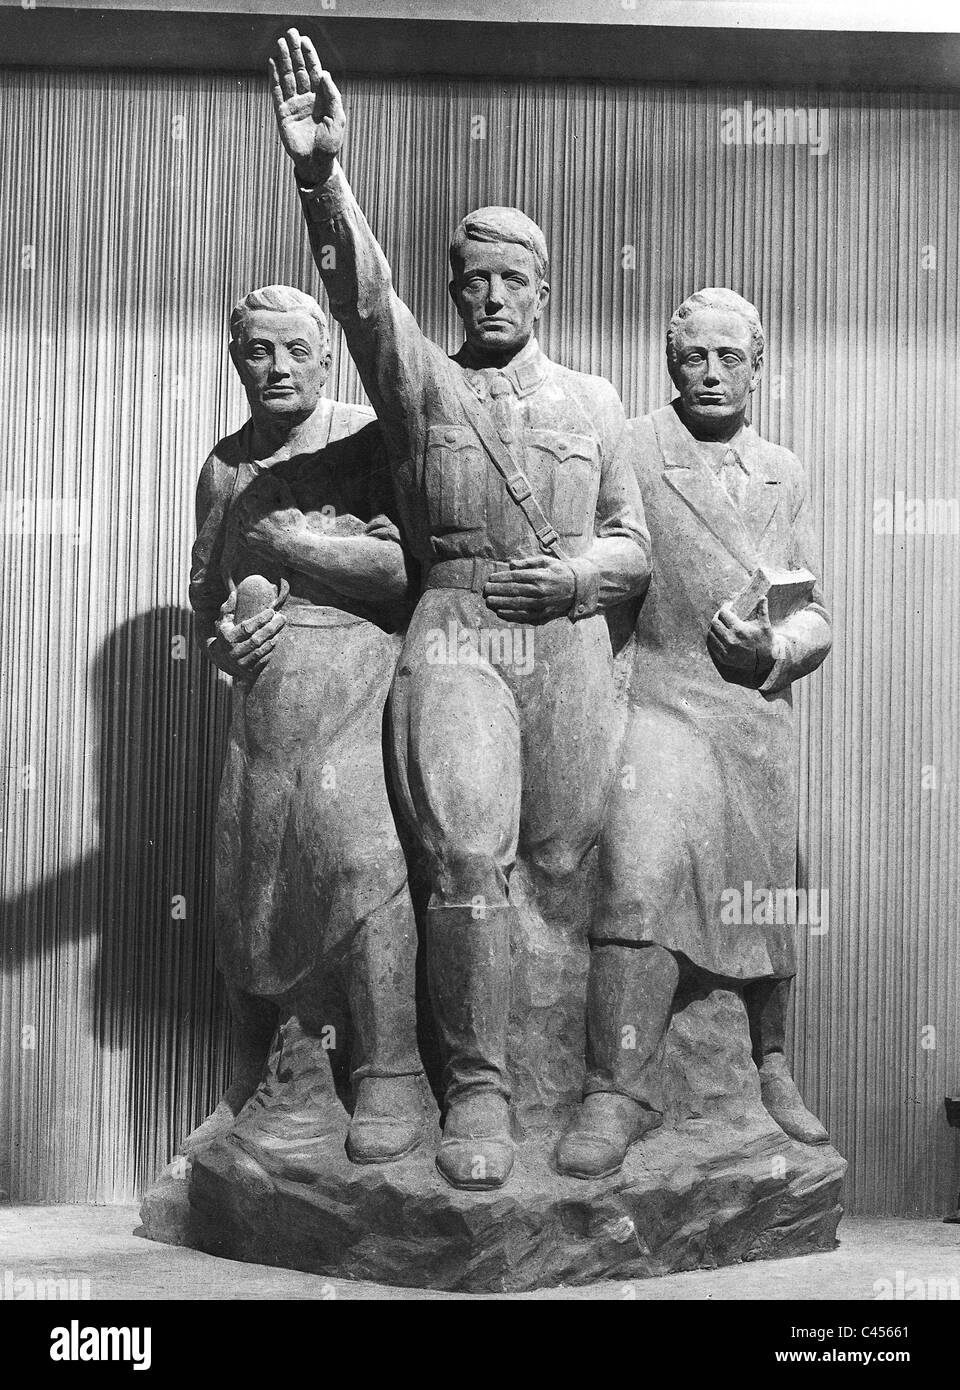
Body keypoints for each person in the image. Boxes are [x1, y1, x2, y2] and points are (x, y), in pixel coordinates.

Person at [268, 30, 650, 1189]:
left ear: (546, 290)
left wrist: (580, 578)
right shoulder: (422, 382)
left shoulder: (594, 400)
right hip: (457, 638)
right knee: (467, 864)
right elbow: (363, 298)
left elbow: (635, 544)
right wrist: (323, 175)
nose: (490, 295)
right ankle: (476, 1096)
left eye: (511, 279)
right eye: (472, 278)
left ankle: (587, 1089)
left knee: (563, 867)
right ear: (453, 290)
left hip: (569, 646)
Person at [557, 288, 832, 1179]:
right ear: (670, 362)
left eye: (730, 359)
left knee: (778, 883)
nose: (710, 374)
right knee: (637, 871)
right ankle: (617, 1086)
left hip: (751, 709)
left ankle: (771, 1064)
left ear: (758, 366)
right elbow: (602, 564)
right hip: (659, 695)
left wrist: (776, 646)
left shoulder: (784, 471)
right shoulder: (632, 446)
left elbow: (811, 609)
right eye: (692, 358)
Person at [186, 283, 424, 1167]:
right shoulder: (223, 465)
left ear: (326, 356)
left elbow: (407, 567)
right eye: (258, 351)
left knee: (362, 864)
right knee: (252, 880)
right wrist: (223, 642)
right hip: (265, 709)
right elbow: (207, 592)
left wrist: (296, 547)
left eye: (295, 350)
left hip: (357, 682)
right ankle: (265, 1079)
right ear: (237, 357)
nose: (277, 367)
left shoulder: (366, 437)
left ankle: (391, 1074)